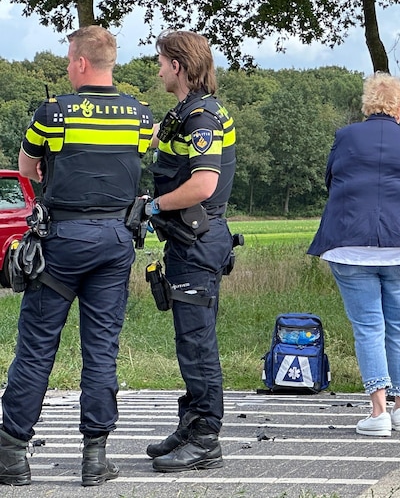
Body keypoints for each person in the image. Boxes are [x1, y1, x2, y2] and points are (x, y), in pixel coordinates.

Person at [1, 26, 153, 487]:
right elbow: (134, 159)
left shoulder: (54, 113)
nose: (67, 67)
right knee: (101, 349)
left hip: (62, 240)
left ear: (82, 63)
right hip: (115, 241)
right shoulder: (140, 116)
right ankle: (94, 456)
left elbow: (28, 168)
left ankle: (11, 452)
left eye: (69, 59)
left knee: (36, 347)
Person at [309, 73, 400, 436]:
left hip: (351, 240)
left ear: (368, 104)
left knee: (369, 327)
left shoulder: (346, 136)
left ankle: (378, 411)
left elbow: (330, 179)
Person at [142, 30, 237, 472]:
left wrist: (151, 206)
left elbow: (204, 184)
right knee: (189, 339)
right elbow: (153, 142)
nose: (157, 68)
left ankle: (206, 438)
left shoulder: (201, 117)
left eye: (160, 61)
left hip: (197, 241)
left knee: (197, 343)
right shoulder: (183, 112)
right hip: (187, 240)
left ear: (177, 65)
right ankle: (192, 421)